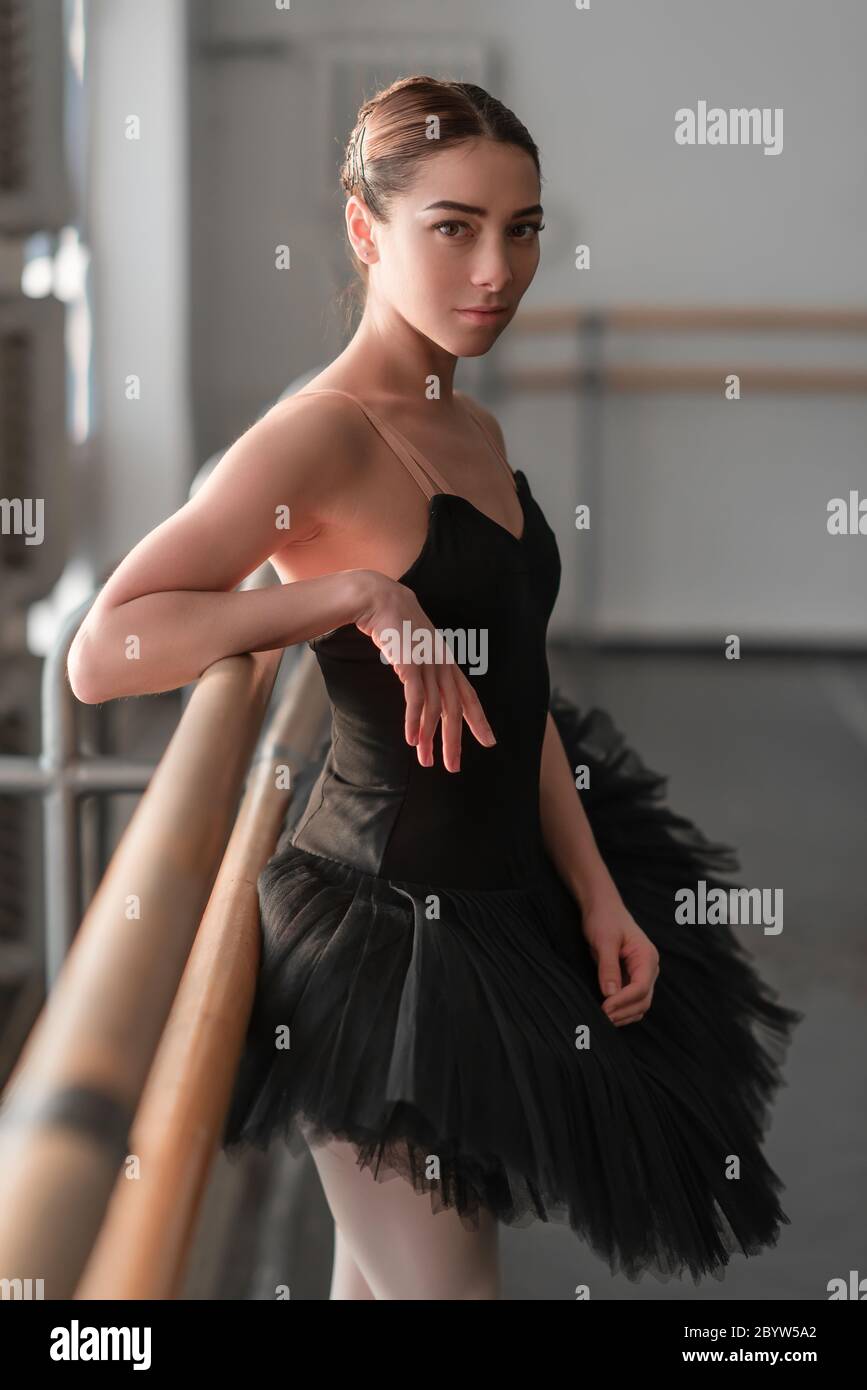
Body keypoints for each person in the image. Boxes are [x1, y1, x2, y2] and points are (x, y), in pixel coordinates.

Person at [69, 76, 802, 1300]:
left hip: (501, 900)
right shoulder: (324, 435)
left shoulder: (469, 429)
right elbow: (105, 651)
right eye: (453, 227)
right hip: (382, 939)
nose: (497, 270)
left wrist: (597, 892)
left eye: (522, 231)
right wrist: (348, 597)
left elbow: (518, 699)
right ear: (367, 232)